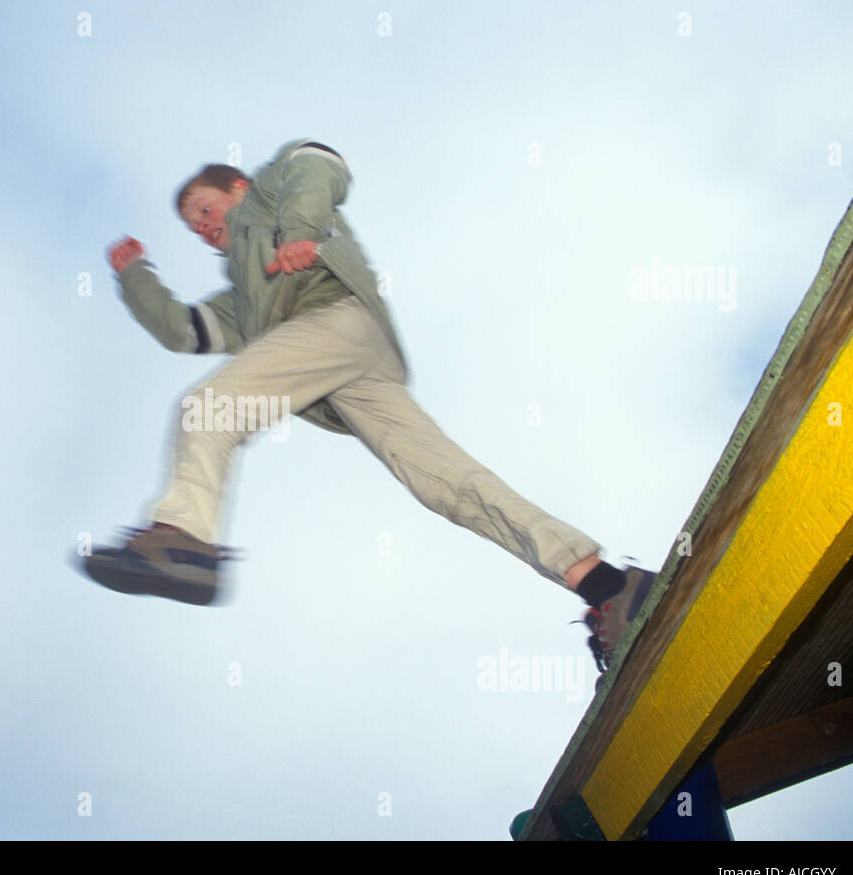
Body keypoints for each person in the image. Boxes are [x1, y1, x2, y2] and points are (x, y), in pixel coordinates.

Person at [80, 138, 654, 674]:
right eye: (193, 228)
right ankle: (605, 585)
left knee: (208, 410)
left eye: (205, 210)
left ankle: (182, 537)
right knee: (444, 485)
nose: (203, 229)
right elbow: (185, 331)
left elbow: (320, 162)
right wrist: (136, 276)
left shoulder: (272, 189)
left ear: (235, 188)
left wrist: (299, 230)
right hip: (350, 373)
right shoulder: (244, 301)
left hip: (337, 321)